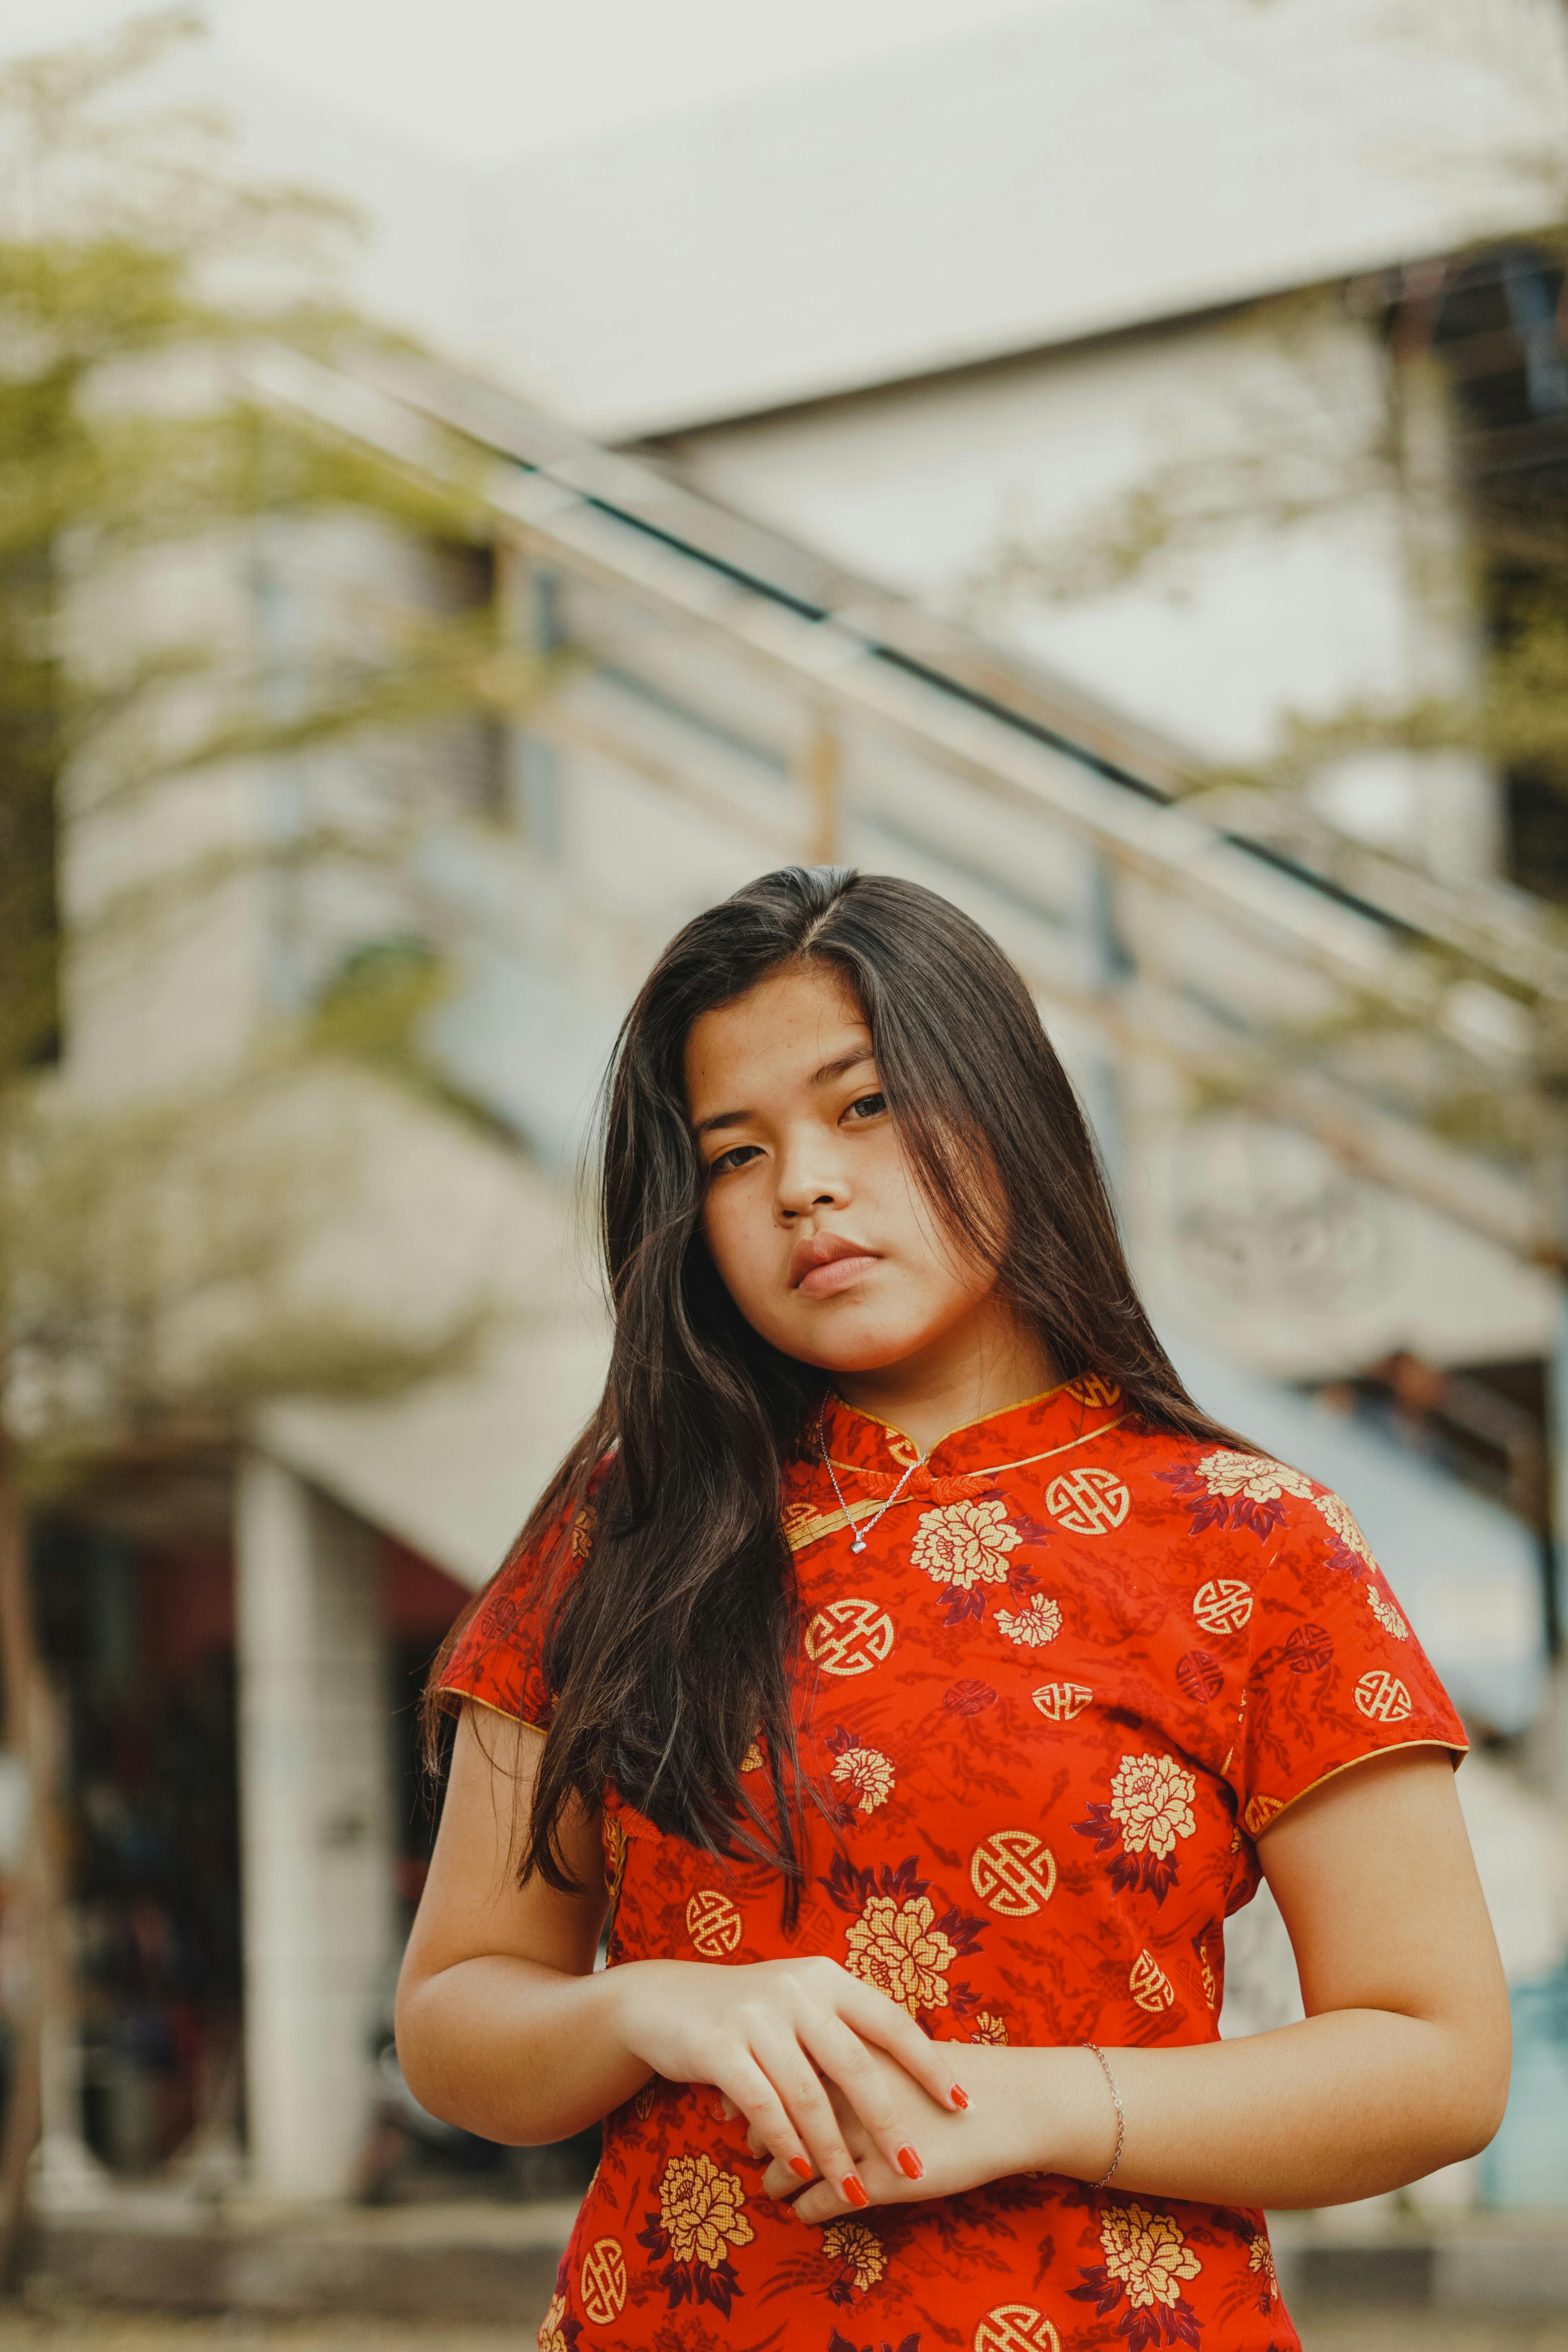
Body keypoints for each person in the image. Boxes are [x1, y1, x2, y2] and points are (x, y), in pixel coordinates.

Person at [396, 866, 1510, 2352]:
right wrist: (650, 2008)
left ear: (1008, 1107)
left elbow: (1437, 2061)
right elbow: (458, 2017)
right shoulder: (625, 1535)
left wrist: (1038, 2104)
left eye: (862, 1107)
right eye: (735, 1153)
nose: (802, 1184)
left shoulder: (1254, 1541)